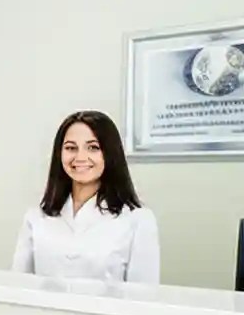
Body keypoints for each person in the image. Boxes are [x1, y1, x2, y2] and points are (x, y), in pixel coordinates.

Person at [12, 110, 160, 284]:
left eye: (93, 148)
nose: (80, 157)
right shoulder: (36, 217)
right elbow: (19, 287)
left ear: (110, 153)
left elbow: (143, 297)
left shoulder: (138, 220)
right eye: (70, 148)